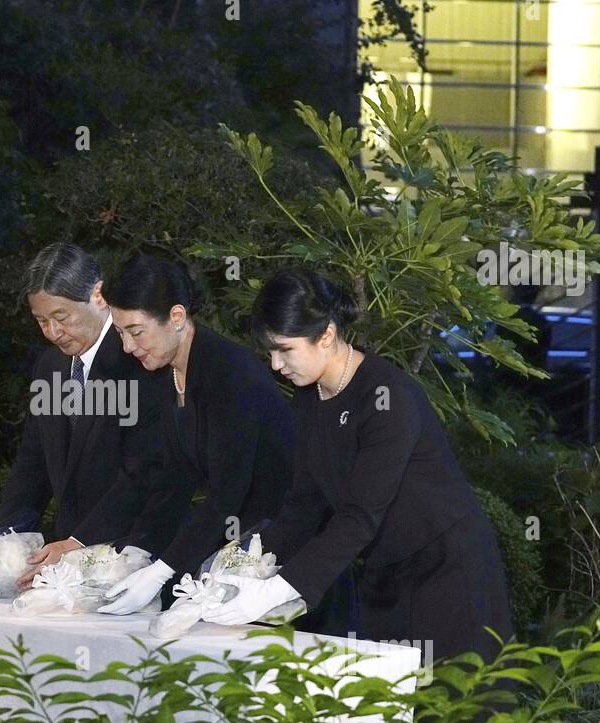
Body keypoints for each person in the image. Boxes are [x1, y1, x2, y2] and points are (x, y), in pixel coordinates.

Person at [199, 268, 514, 664]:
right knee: (385, 709)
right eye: (270, 353)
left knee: (458, 713)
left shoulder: (387, 395)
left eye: (285, 350)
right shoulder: (312, 397)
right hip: (384, 575)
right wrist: (246, 566)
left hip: (447, 573)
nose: (276, 365)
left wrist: (281, 589)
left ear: (327, 335)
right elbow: (305, 505)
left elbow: (360, 515)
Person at [99, 254, 296, 614]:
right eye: (119, 333)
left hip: (280, 556)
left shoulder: (229, 373)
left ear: (176, 317)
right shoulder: (166, 371)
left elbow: (227, 494)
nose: (127, 346)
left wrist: (161, 571)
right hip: (233, 546)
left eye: (136, 331)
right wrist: (136, 553)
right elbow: (174, 478)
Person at [0, 243, 166, 590]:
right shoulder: (50, 366)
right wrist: (2, 540)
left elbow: (145, 471)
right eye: (41, 321)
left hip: (135, 555)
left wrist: (79, 543)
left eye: (61, 317)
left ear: (98, 295)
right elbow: (33, 465)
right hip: (64, 559)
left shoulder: (141, 358)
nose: (52, 333)